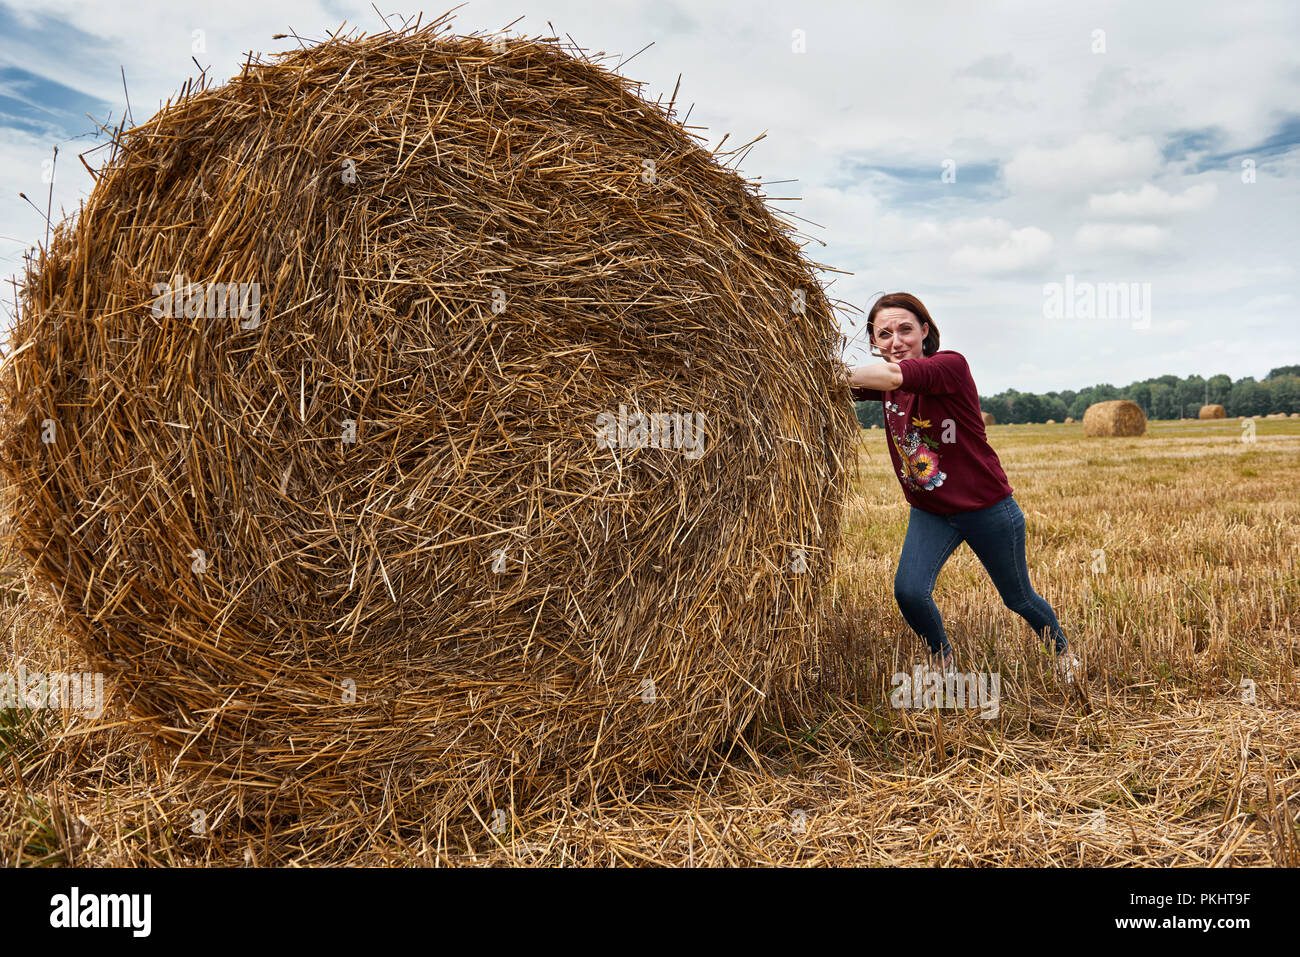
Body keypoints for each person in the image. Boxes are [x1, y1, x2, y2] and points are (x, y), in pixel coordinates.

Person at [845, 292, 1079, 683]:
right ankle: (942, 660)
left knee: (1017, 598)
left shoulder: (949, 366)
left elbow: (891, 375)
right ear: (873, 342)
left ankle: (1062, 654)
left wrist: (819, 369)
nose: (896, 341)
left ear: (925, 330)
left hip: (986, 509)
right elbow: (838, 389)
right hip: (931, 513)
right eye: (883, 334)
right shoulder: (886, 384)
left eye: (905, 329)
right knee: (909, 592)